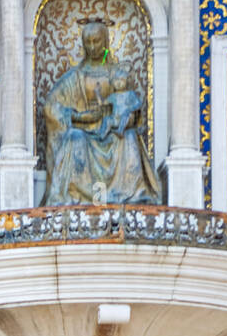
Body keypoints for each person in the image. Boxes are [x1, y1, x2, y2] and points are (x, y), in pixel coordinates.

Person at [41, 20, 160, 206]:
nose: (92, 47)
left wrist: (125, 119)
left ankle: (130, 196)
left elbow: (132, 107)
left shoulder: (117, 74)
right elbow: (50, 107)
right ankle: (79, 198)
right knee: (75, 137)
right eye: (88, 42)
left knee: (129, 137)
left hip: (113, 132)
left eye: (96, 41)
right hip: (83, 132)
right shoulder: (74, 77)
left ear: (105, 42)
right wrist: (78, 117)